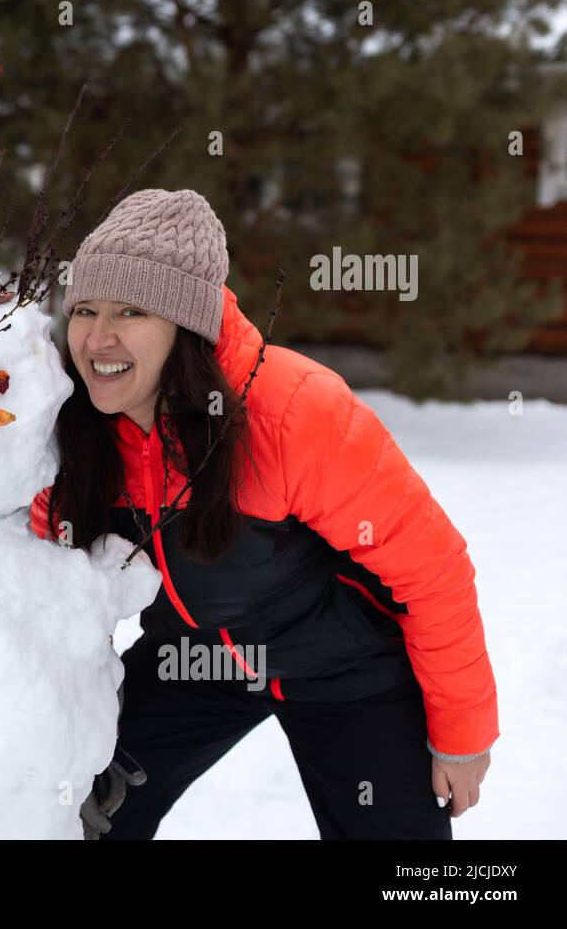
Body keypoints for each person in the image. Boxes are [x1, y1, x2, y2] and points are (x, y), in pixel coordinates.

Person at [30, 188, 496, 839]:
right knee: (72, 800)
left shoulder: (294, 414)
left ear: (185, 326)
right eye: (85, 310)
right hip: (197, 660)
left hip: (346, 673)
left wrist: (462, 735)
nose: (98, 338)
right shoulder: (84, 421)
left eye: (131, 311)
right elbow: (30, 533)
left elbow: (434, 571)